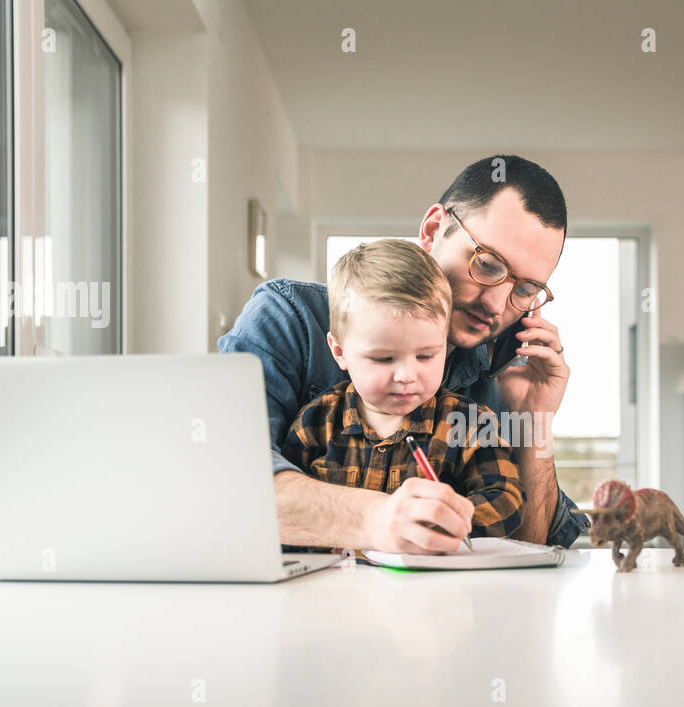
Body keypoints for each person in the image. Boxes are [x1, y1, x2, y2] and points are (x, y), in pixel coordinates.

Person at [218, 154, 589, 553]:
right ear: (433, 229)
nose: (498, 305)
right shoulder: (289, 318)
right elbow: (228, 480)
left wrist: (535, 422)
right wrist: (377, 519)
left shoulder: (505, 376)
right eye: (487, 263)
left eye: (527, 289)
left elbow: (525, 554)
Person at [281, 239, 523, 541]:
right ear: (340, 352)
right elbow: (287, 504)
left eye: (426, 356)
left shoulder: (471, 423)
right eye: (383, 358)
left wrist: (447, 522)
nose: (408, 375)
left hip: (434, 581)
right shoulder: (316, 421)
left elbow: (506, 498)